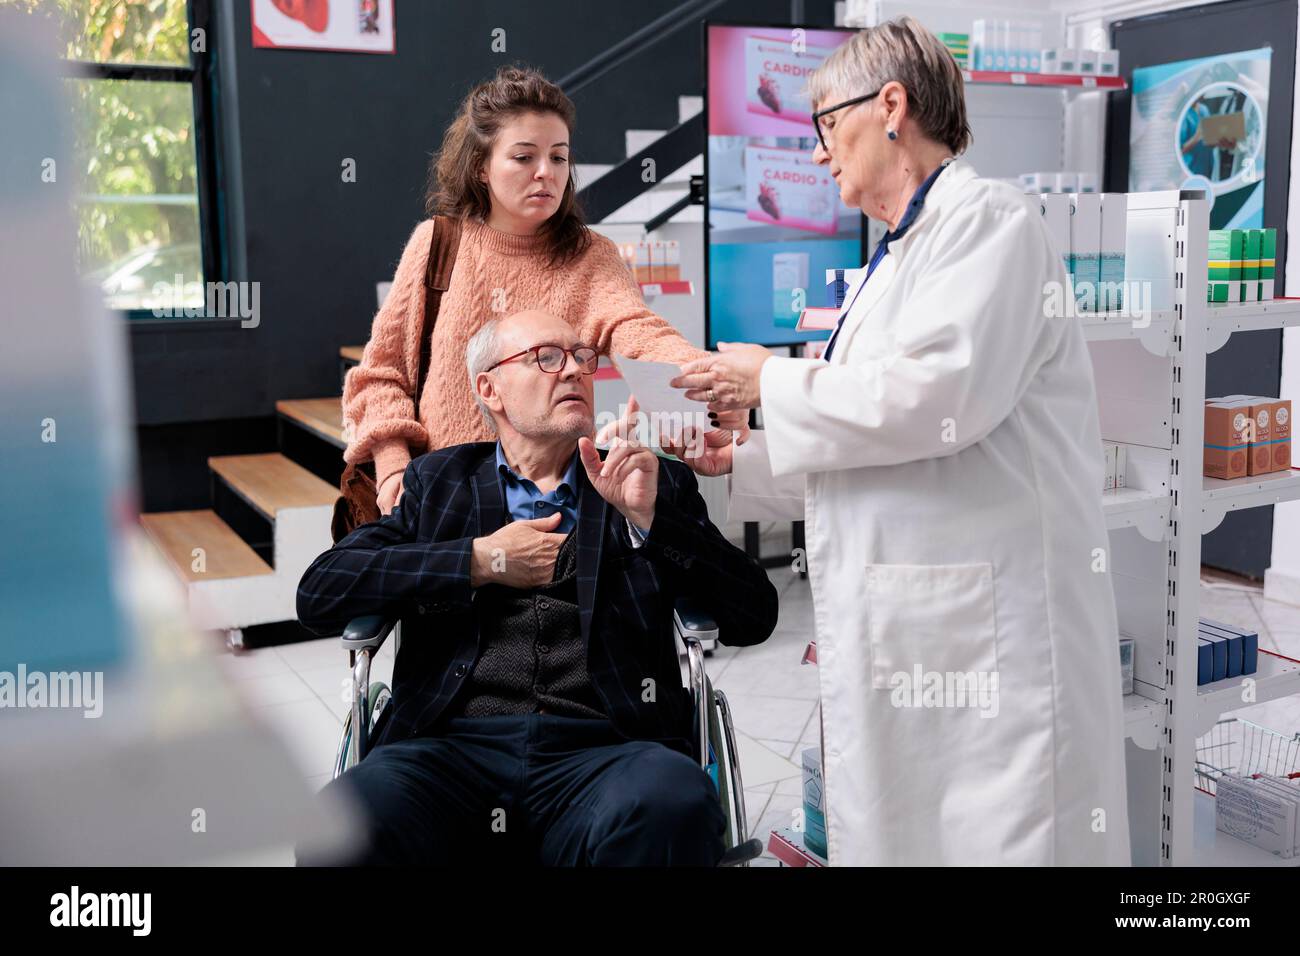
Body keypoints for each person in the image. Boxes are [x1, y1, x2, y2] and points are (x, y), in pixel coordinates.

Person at [666, 16, 1130, 865]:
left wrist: (767, 380)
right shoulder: (898, 255)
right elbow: (880, 438)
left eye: (823, 127)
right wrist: (746, 458)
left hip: (994, 636)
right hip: (923, 630)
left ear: (889, 106)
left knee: (998, 836)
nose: (815, 155)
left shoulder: (991, 221)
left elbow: (935, 397)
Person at [297, 310, 778, 866]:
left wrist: (651, 521)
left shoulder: (649, 479)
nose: (574, 371)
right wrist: (476, 560)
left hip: (607, 749)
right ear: (490, 388)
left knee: (671, 803)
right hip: (449, 750)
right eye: (547, 357)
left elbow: (754, 615)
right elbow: (319, 593)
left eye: (581, 357)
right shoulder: (441, 483)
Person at [343, 65, 739, 516]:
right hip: (439, 499)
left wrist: (715, 383)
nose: (545, 173)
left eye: (558, 157)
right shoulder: (437, 243)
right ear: (481, 167)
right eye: (523, 157)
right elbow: (382, 373)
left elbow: (640, 332)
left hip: (546, 504)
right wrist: (395, 468)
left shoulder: (590, 255)